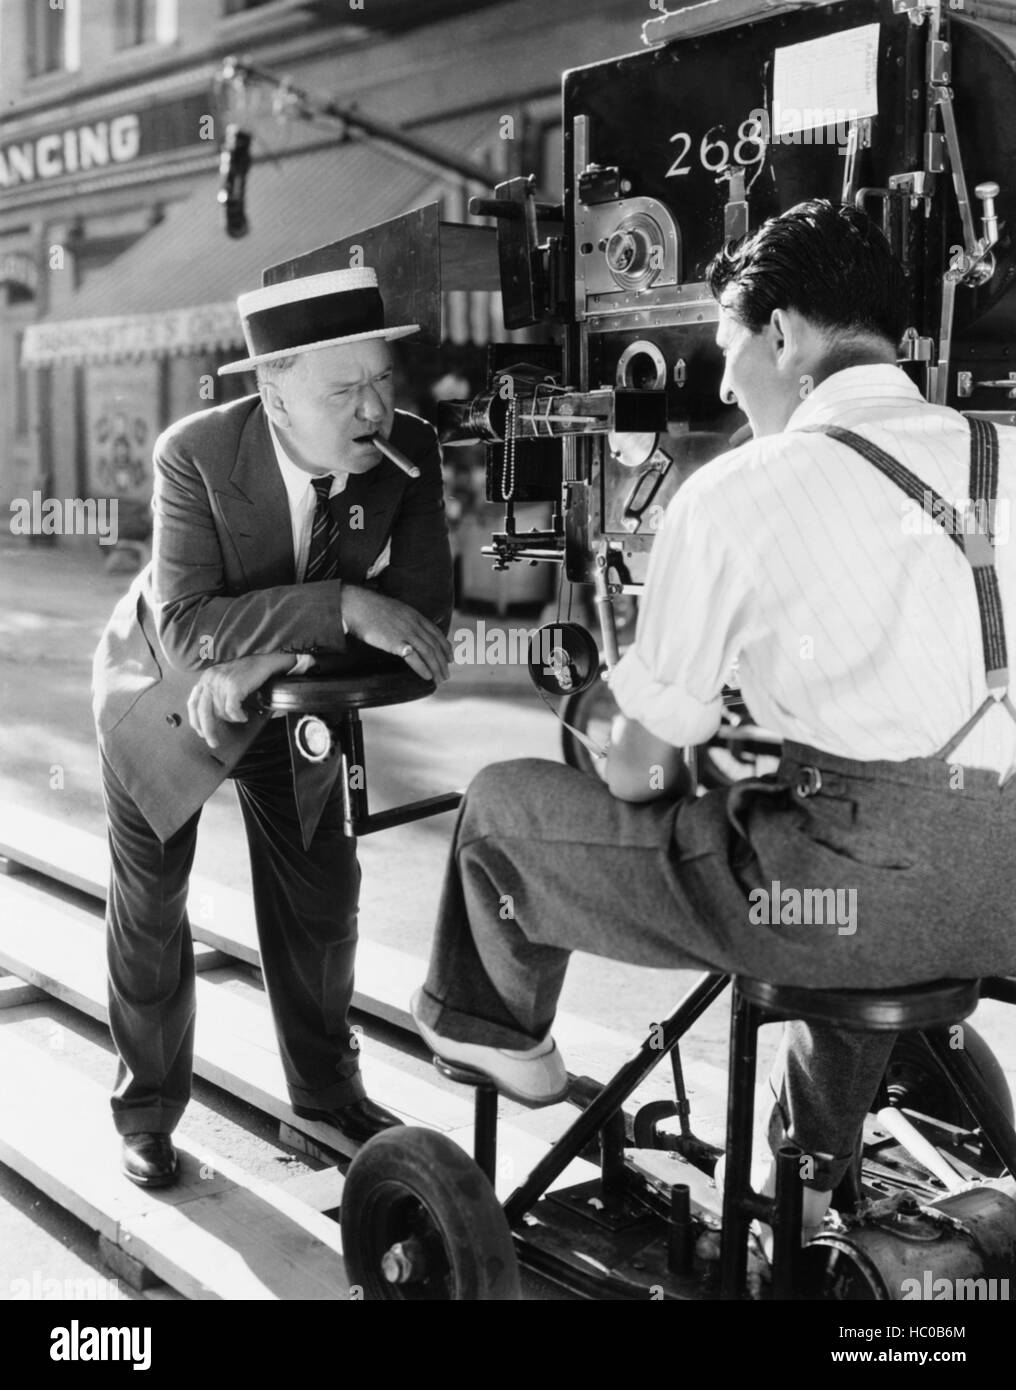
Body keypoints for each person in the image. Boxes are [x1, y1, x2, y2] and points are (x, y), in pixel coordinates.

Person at [411, 200, 1016, 1241]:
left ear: (781, 334)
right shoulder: (999, 447)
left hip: (852, 893)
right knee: (854, 910)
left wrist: (608, 709)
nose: (726, 384)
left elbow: (641, 773)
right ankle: (797, 1185)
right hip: (1000, 900)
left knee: (500, 810)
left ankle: (494, 1033)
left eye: (729, 349)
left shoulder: (741, 489)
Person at [93, 266, 454, 1186]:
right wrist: (338, 608)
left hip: (292, 701)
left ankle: (327, 1091)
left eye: (383, 380)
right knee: (151, 914)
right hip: (167, 694)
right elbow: (184, 626)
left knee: (323, 900)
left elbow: (417, 632)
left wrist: (276, 655)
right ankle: (145, 1111)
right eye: (346, 390)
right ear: (275, 392)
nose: (375, 409)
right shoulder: (196, 455)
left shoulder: (409, 450)